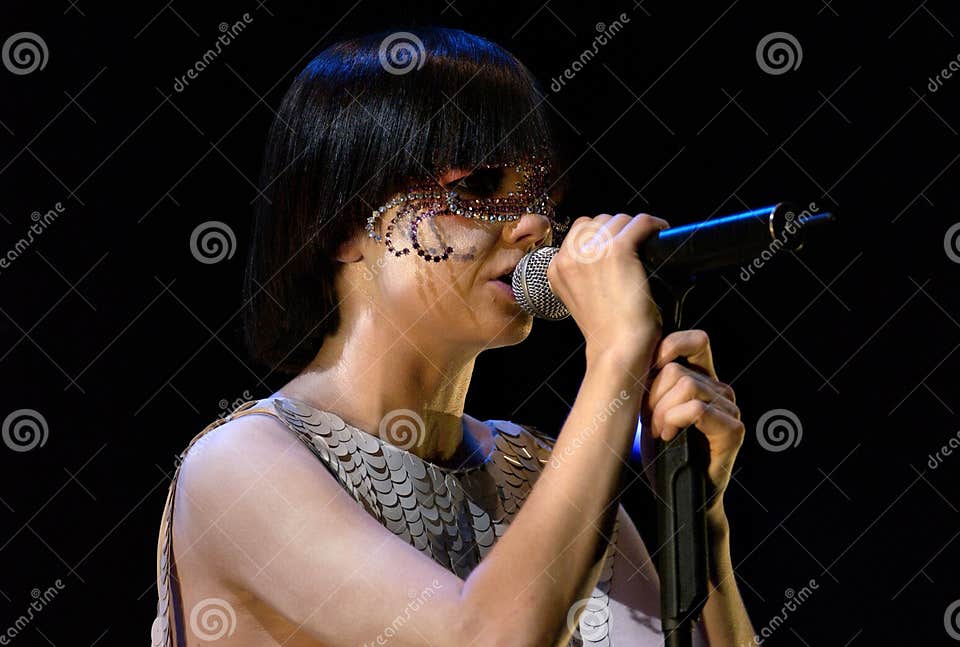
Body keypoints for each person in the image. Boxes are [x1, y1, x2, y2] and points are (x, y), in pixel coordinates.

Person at [150, 26, 756, 647]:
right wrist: (615, 357)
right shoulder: (242, 465)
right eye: (480, 186)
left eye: (539, 193)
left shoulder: (537, 469)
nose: (534, 223)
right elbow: (484, 638)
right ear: (341, 230)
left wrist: (698, 521)